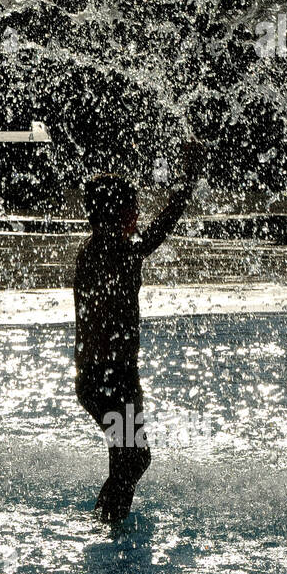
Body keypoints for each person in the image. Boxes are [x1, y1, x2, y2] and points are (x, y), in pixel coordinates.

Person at [74, 139, 206, 524]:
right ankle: (107, 525)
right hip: (109, 378)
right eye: (134, 208)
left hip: (105, 377)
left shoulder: (99, 249)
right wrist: (186, 184)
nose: (138, 215)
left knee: (127, 458)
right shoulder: (113, 251)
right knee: (132, 457)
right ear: (122, 214)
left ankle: (105, 520)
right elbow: (155, 235)